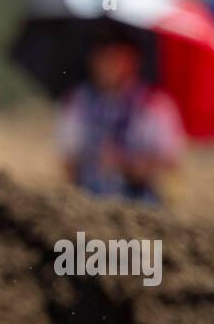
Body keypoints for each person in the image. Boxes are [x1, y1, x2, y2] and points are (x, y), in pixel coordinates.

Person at [56, 21, 184, 203]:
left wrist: (125, 163)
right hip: (89, 204)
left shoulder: (154, 104)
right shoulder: (79, 101)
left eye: (114, 56)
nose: (106, 63)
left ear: (132, 59)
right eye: (101, 55)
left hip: (140, 209)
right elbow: (68, 159)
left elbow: (169, 162)